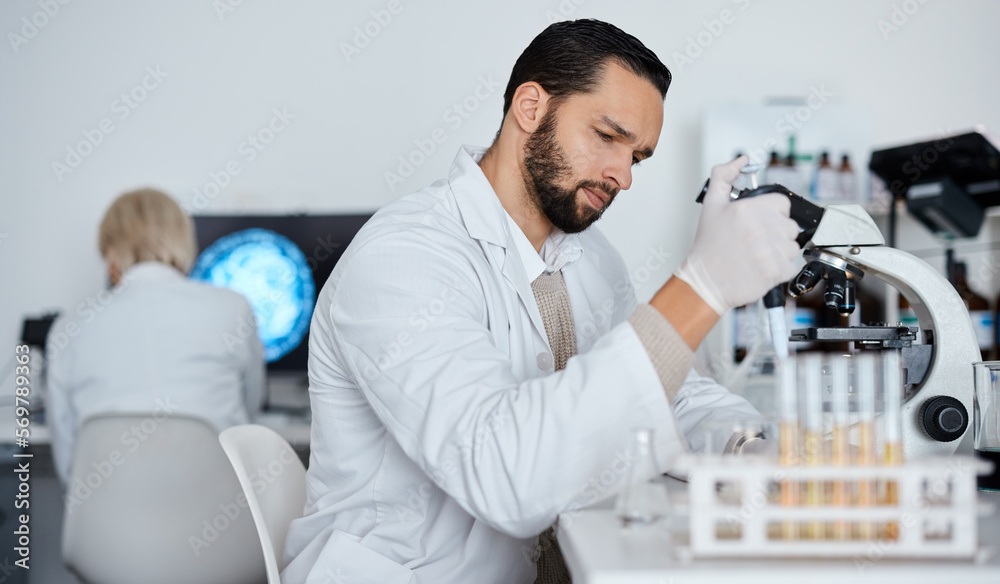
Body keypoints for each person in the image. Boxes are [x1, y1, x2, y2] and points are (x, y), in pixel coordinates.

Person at [282, 19, 800, 584]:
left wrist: (748, 447)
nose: (623, 176)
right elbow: (506, 473)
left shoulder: (590, 257)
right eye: (608, 136)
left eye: (639, 157)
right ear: (530, 107)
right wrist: (701, 286)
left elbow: (667, 391)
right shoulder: (404, 256)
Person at [47, 188, 266, 485]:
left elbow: (68, 462)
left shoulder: (68, 325)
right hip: (219, 518)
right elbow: (252, 407)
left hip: (102, 524)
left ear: (110, 249)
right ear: (184, 240)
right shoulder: (233, 308)